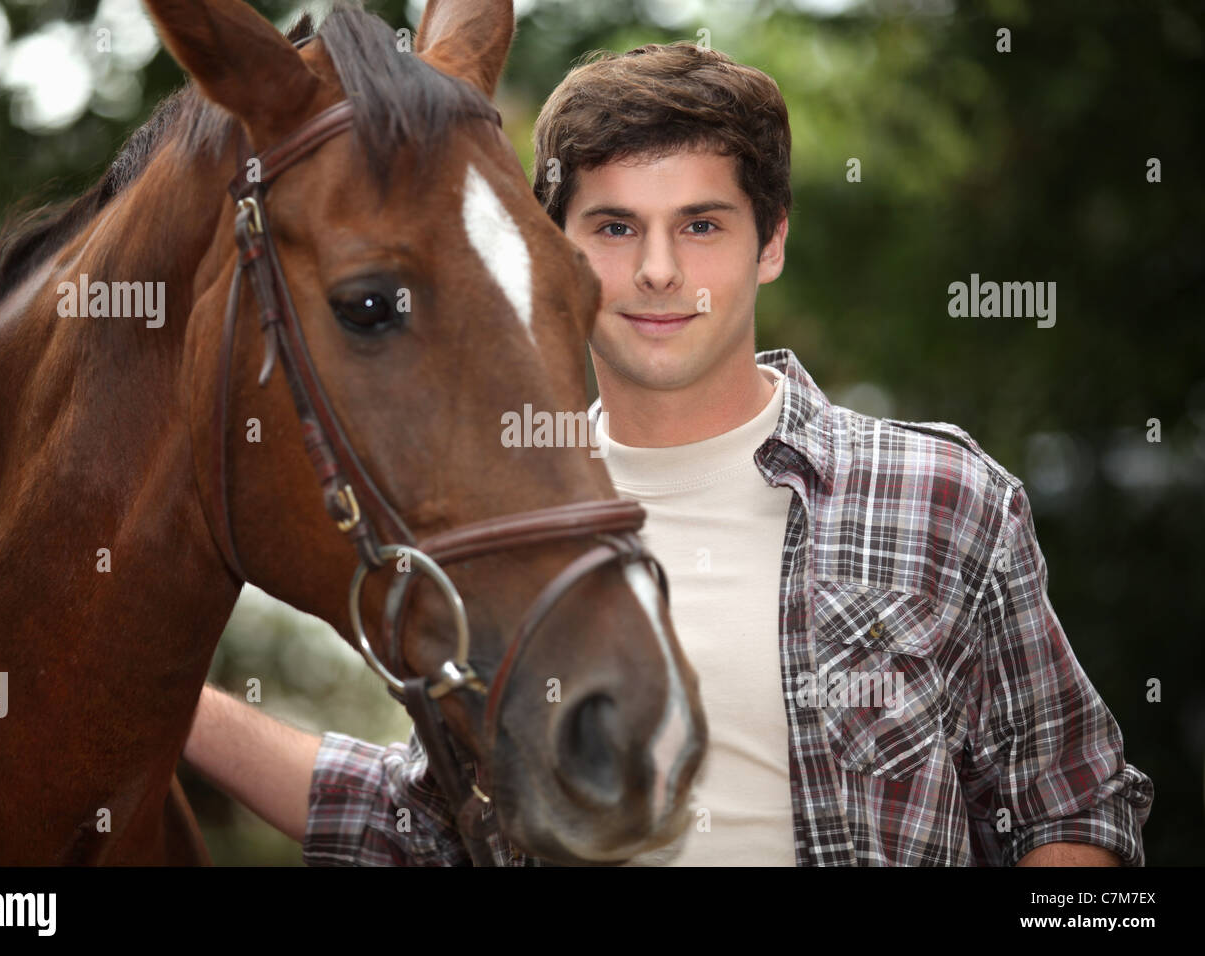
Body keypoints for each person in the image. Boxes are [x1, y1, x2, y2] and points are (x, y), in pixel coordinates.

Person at [183, 41, 1153, 867]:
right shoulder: (501, 509)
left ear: (769, 242)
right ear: (551, 248)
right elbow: (418, 821)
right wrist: (163, 695)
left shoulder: (940, 497)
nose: (656, 270)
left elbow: (1068, 799)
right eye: (612, 227)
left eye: (701, 225)